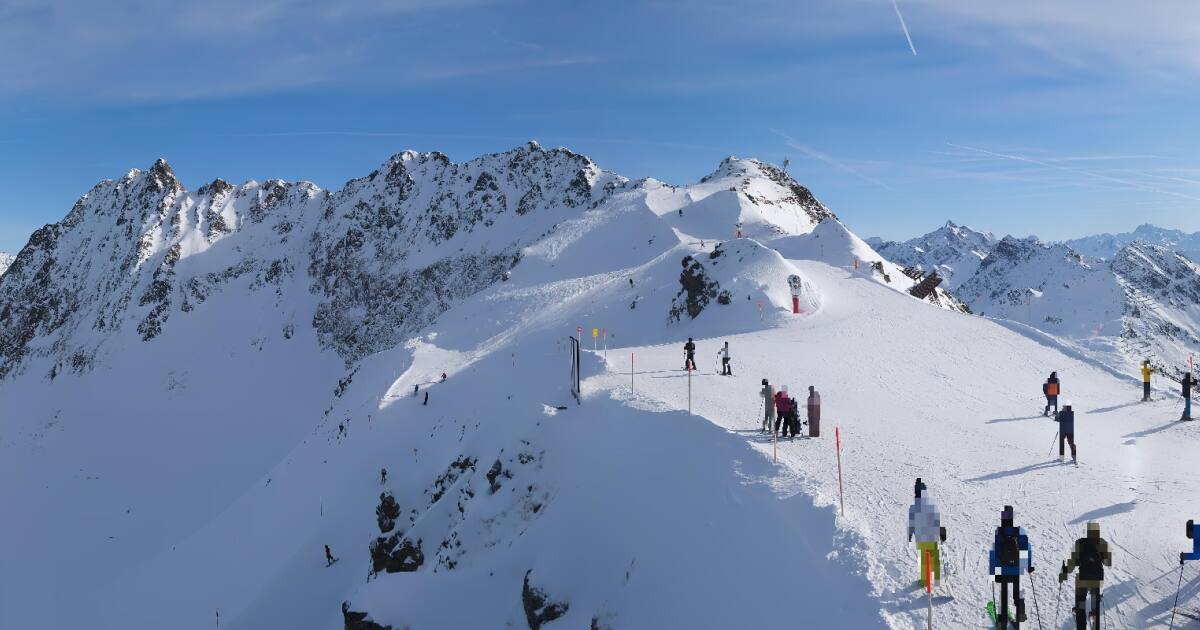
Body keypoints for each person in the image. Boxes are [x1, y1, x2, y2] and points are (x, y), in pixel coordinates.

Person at [1059, 521, 1112, 630]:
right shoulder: (1102, 542)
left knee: (1081, 605)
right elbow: (1108, 563)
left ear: (1088, 532)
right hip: (1097, 578)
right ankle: (1094, 616)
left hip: (1082, 578)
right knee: (1095, 599)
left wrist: (1063, 572)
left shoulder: (1080, 542)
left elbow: (1072, 564)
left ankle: (1081, 624)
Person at [989, 505, 1033, 628]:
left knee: (1004, 597)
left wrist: (992, 573)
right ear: (1012, 518)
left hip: (1003, 570)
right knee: (1016, 596)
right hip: (1016, 569)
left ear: (1003, 518)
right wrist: (1028, 566)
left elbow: (995, 552)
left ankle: (1002, 624)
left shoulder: (999, 532)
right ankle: (1018, 622)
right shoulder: (1019, 531)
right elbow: (1027, 549)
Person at [908, 478, 947, 588]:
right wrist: (941, 533)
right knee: (935, 557)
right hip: (932, 537)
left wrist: (910, 535)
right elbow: (937, 521)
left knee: (924, 561)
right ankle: (937, 579)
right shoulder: (931, 506)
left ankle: (925, 581)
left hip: (921, 539)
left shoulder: (913, 508)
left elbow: (911, 523)